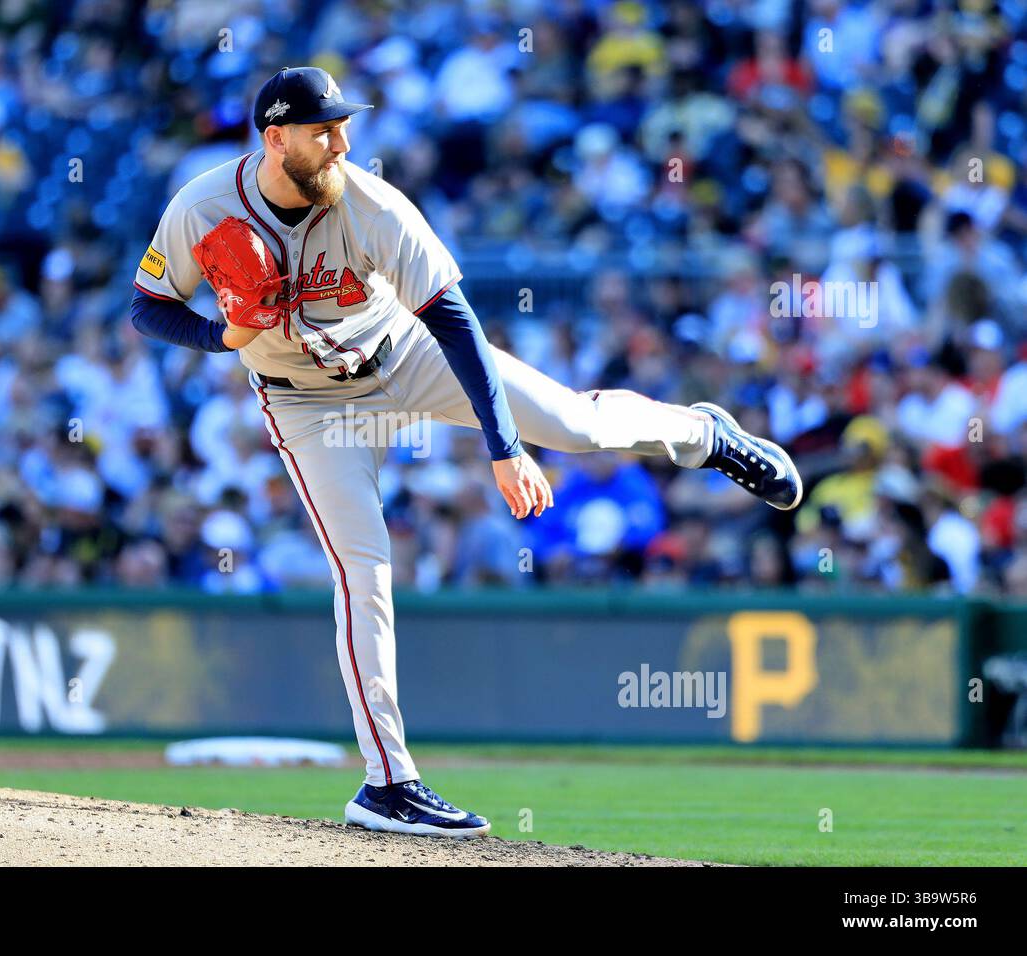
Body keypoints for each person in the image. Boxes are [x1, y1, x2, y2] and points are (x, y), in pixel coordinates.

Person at [129, 67, 802, 838]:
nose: (342, 141)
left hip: (405, 352)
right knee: (362, 571)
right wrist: (220, 337)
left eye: (345, 125)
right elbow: (148, 306)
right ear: (274, 138)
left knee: (577, 426)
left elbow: (454, 321)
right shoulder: (202, 208)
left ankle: (704, 435)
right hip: (305, 399)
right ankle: (388, 783)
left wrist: (504, 447)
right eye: (324, 130)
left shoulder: (372, 202)